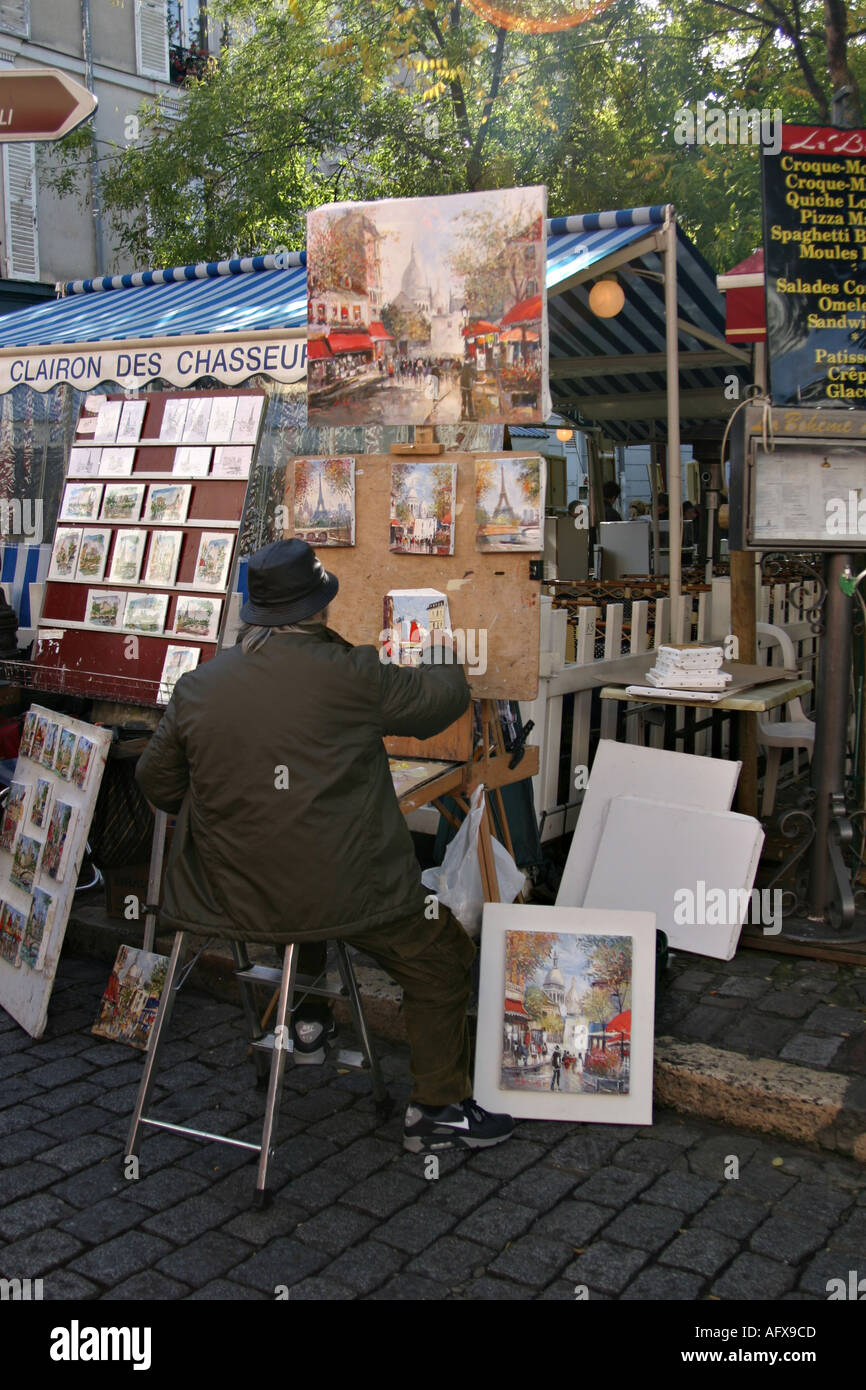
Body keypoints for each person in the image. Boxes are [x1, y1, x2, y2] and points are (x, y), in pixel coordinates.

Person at [135, 538, 513, 1154]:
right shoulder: (353, 674)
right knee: (442, 957)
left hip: (229, 897)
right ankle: (437, 1111)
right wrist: (443, 649)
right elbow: (440, 703)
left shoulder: (198, 687)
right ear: (320, 610)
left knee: (301, 906)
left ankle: (307, 1025)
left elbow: (156, 783)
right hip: (347, 890)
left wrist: (241, 819)